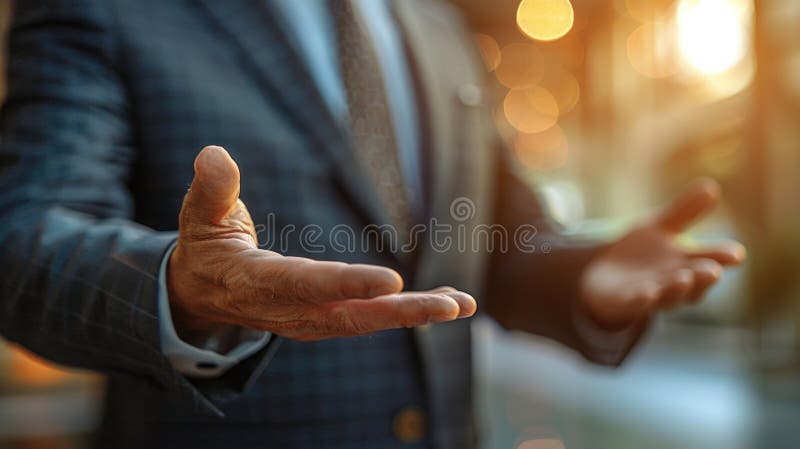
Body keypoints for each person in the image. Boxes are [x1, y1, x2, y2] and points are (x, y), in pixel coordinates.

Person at [0, 0, 745, 448]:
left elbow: (494, 241)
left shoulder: (436, 24)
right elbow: (26, 234)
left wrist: (587, 275)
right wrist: (181, 288)